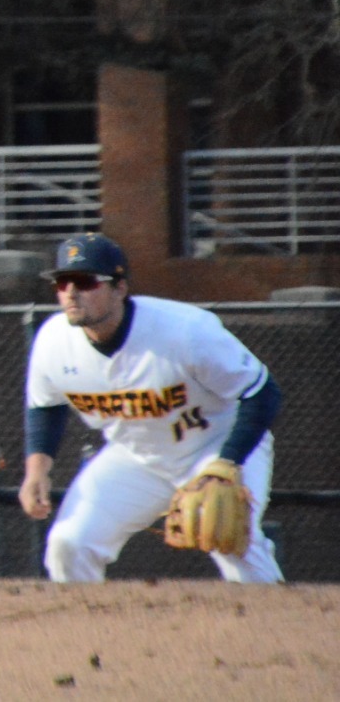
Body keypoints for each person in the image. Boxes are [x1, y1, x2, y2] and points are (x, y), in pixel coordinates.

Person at [19, 233, 284, 583]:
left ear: (120, 287)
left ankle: (272, 628)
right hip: (137, 456)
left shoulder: (184, 331)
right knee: (69, 543)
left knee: (229, 538)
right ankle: (81, 635)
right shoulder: (53, 340)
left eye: (84, 281)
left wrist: (228, 461)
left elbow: (263, 392)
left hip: (214, 447)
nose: (70, 291)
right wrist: (37, 471)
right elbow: (45, 406)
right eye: (62, 281)